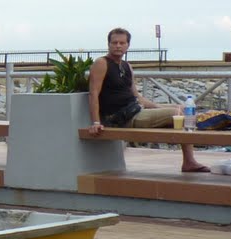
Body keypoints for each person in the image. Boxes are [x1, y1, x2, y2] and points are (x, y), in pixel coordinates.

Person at [86, 27, 208, 173]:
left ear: (127, 45)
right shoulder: (101, 63)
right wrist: (96, 122)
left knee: (183, 109)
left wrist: (158, 106)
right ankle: (189, 162)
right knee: (178, 114)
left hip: (136, 110)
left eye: (122, 43)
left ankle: (189, 161)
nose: (118, 46)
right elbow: (93, 93)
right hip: (121, 117)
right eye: (114, 42)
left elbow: (137, 97)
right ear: (109, 44)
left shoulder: (127, 66)